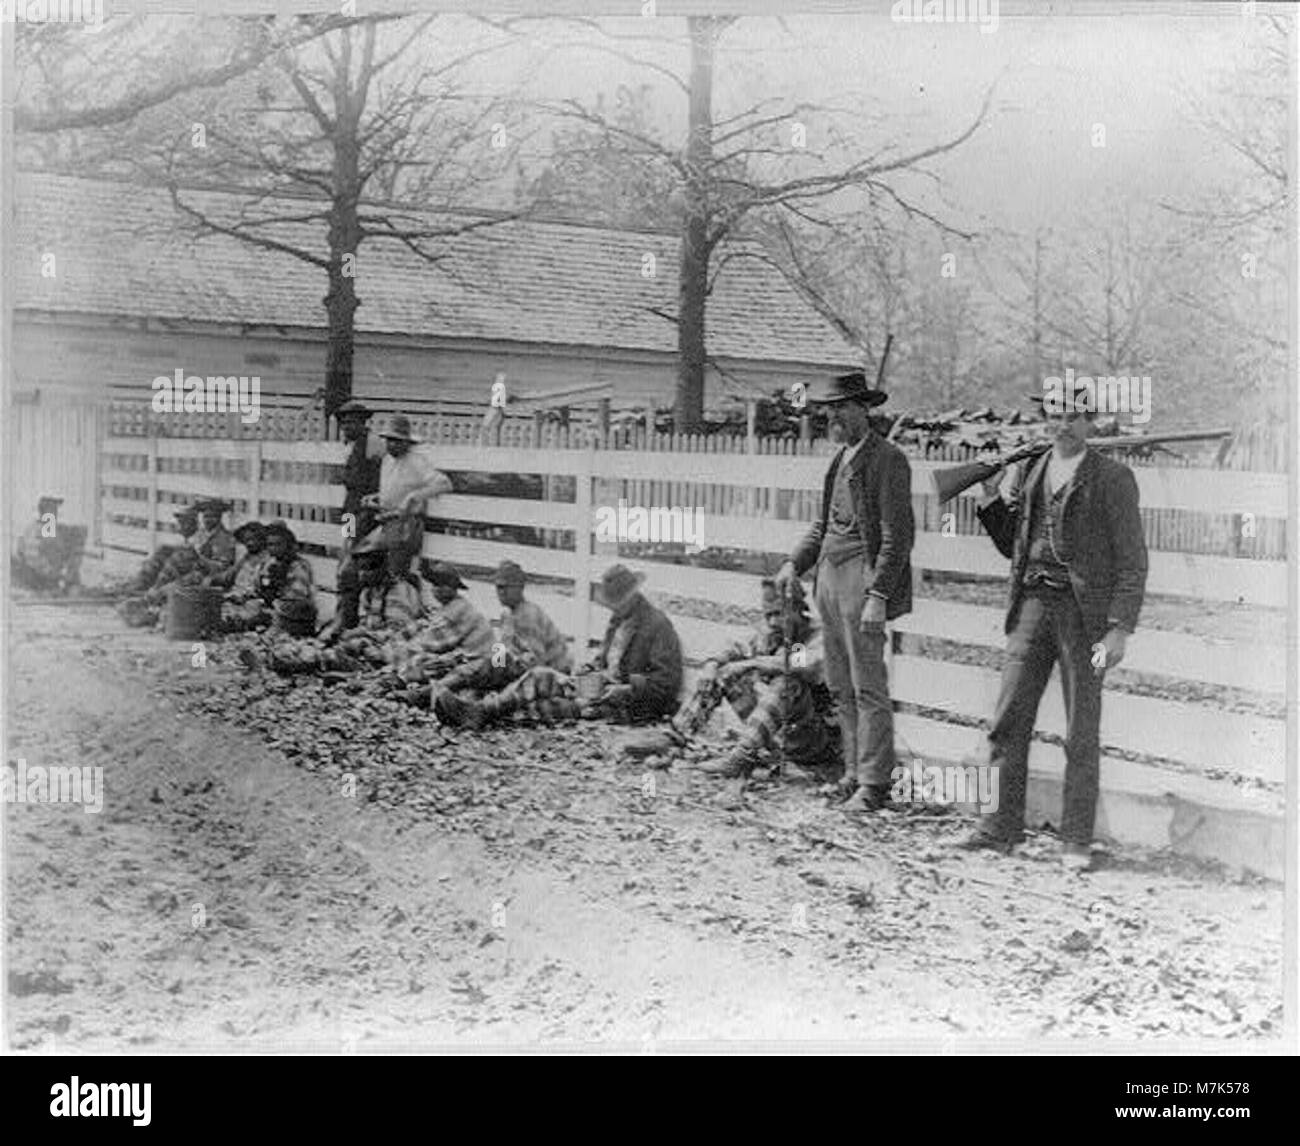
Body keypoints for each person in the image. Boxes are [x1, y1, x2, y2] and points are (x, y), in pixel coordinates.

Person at [960, 389, 1147, 869]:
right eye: (1055, 416)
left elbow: (1132, 562)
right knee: (1007, 718)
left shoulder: (1113, 479)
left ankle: (1075, 842)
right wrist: (988, 496)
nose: (1063, 426)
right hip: (1031, 606)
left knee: (1080, 729)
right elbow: (1012, 547)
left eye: (1074, 418)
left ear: (1089, 423)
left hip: (1083, 616)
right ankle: (997, 828)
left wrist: (1120, 628)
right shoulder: (1029, 471)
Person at [773, 369, 915, 813]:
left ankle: (874, 784)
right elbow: (823, 525)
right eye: (829, 410)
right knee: (840, 686)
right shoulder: (839, 460)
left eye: (841, 409)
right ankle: (853, 773)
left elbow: (897, 535)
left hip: (862, 579)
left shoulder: (886, 459)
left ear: (862, 410)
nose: (833, 417)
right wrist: (795, 562)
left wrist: (878, 595)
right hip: (830, 582)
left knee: (868, 686)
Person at [436, 564, 682, 729]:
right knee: (527, 676)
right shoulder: (619, 619)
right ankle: (473, 707)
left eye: (505, 587)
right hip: (600, 689)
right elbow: (607, 659)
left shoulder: (657, 626)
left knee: (543, 705)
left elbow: (666, 683)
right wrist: (590, 668)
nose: (613, 608)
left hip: (631, 705)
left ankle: (478, 712)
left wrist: (626, 689)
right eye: (497, 588)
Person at [669, 579, 836, 779]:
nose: (773, 621)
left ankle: (741, 758)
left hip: (813, 738)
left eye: (780, 613)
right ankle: (676, 737)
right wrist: (712, 665)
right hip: (778, 737)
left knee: (787, 683)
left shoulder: (815, 635)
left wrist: (750, 664)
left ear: (798, 609)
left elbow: (799, 665)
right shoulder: (773, 633)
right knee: (725, 673)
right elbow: (736, 648)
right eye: (769, 615)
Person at [336, 413, 452, 624]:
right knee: (350, 569)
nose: (391, 445)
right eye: (389, 440)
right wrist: (375, 498)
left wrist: (414, 497)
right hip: (377, 519)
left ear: (407, 442)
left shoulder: (416, 461)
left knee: (395, 578)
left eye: (397, 440)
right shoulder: (386, 460)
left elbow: (444, 483)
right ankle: (347, 622)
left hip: (404, 526)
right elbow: (390, 491)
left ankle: (397, 622)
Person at [429, 560, 571, 722]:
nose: (500, 592)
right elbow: (501, 651)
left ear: (519, 587)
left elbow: (535, 661)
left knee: (490, 669)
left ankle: (435, 694)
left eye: (505, 587)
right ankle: (445, 697)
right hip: (523, 671)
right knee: (480, 675)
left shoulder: (529, 614)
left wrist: (499, 665)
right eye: (498, 587)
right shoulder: (506, 615)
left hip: (553, 676)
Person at [332, 399, 385, 631]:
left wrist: (365, 516)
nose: (346, 427)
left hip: (365, 513)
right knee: (344, 557)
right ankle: (343, 617)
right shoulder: (351, 447)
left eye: (350, 423)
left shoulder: (373, 445)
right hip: (350, 512)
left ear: (362, 423)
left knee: (354, 565)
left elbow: (375, 483)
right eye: (343, 423)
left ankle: (348, 621)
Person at [11, 494, 83, 593]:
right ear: (45, 512)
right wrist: (58, 575)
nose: (56, 513)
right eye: (53, 510)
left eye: (55, 510)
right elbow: (34, 559)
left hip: (48, 583)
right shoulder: (36, 531)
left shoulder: (47, 529)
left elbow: (60, 550)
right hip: (38, 585)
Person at [191, 498, 237, 581]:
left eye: (212, 516)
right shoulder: (199, 534)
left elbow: (224, 566)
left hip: (214, 580)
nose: (207, 520)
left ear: (219, 518)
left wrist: (201, 561)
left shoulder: (226, 538)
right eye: (205, 516)